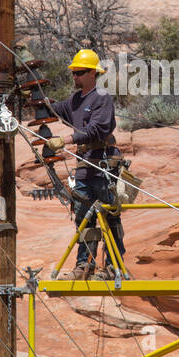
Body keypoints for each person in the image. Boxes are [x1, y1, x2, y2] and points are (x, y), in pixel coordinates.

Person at [45, 48, 126, 278]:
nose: (75, 77)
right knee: (84, 217)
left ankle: (113, 267)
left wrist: (66, 140)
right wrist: (37, 99)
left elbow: (96, 130)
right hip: (84, 167)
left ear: (92, 73)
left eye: (79, 73)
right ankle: (84, 267)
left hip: (103, 166)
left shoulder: (102, 97)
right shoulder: (75, 100)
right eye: (73, 73)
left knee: (110, 217)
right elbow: (54, 109)